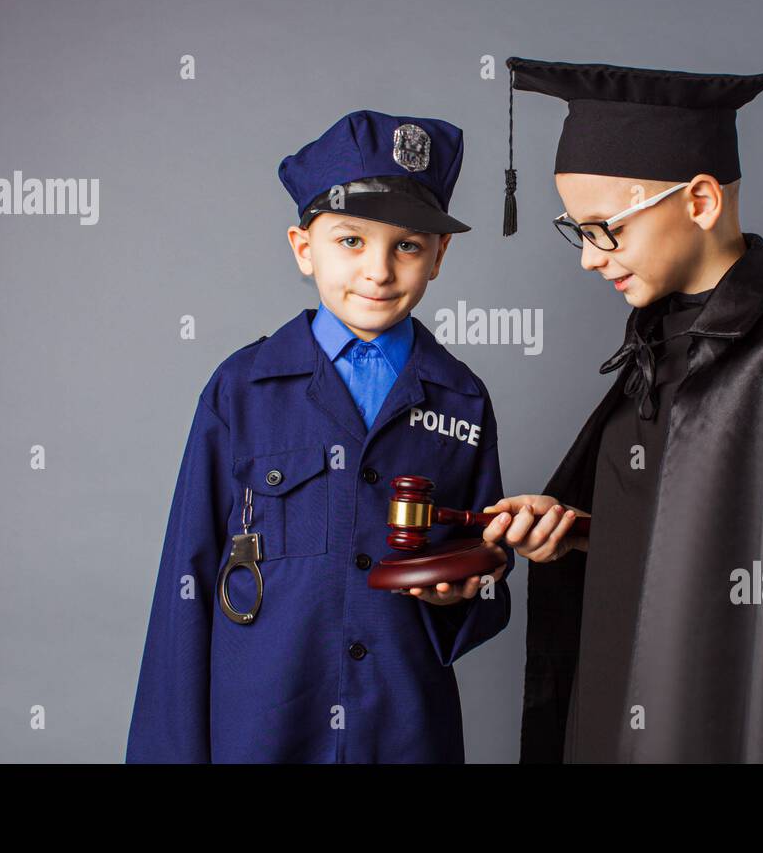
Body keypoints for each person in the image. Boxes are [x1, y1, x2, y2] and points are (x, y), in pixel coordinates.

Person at [485, 57, 763, 763]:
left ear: (699, 202)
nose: (589, 258)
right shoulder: (660, 336)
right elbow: (699, 534)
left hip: (711, 719)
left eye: (605, 228)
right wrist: (583, 534)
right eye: (576, 230)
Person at [126, 110, 514, 763]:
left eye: (408, 246)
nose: (379, 271)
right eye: (351, 241)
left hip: (405, 729)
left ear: (439, 256)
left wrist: (466, 591)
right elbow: (185, 582)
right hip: (265, 728)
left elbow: (483, 585)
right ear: (304, 248)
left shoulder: (462, 400)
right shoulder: (242, 390)